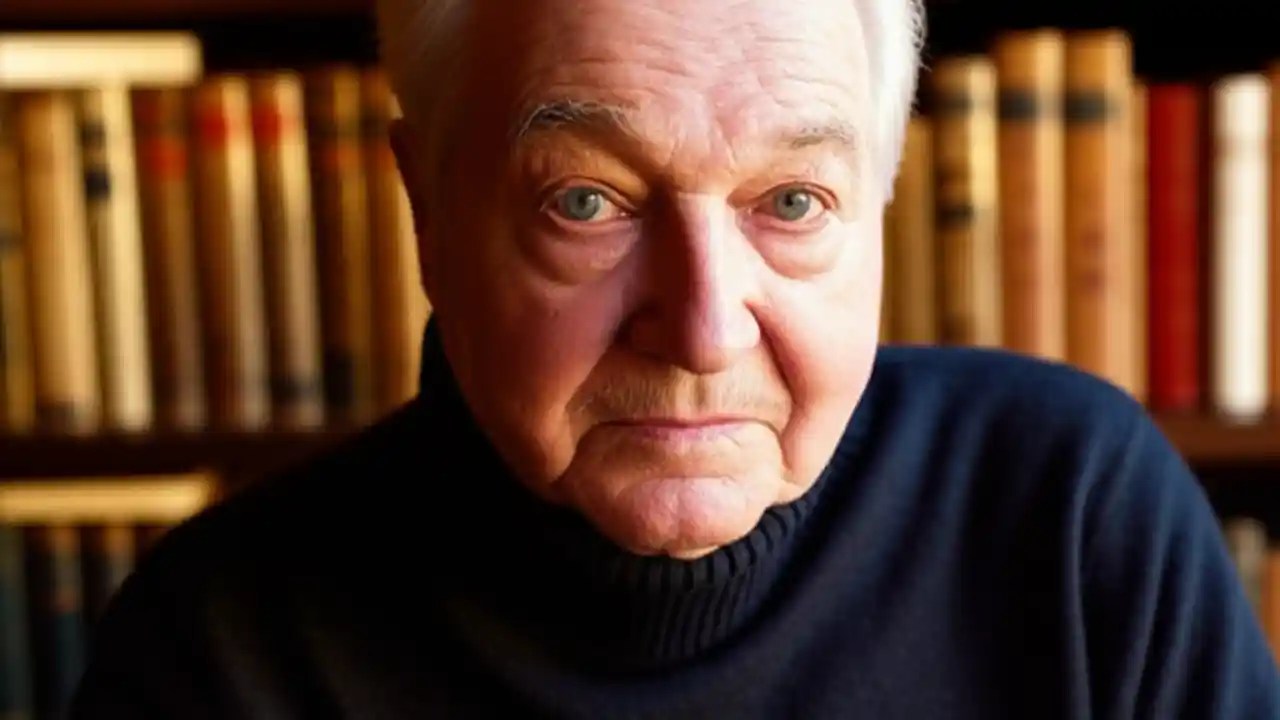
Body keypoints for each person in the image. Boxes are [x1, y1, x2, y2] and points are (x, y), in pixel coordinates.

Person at [71, 0, 1280, 717]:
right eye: (588, 202)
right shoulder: (219, 647)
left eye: (792, 202)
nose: (704, 327)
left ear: (880, 210)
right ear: (427, 213)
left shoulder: (1071, 522)